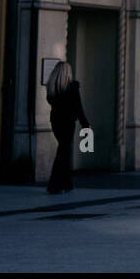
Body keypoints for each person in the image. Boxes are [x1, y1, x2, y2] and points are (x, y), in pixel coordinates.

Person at [45, 61, 91, 195]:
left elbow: (53, 103)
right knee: (63, 152)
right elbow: (78, 107)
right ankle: (55, 185)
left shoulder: (52, 88)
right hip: (68, 123)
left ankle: (65, 183)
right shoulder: (72, 87)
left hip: (56, 122)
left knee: (63, 151)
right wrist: (85, 124)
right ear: (68, 72)